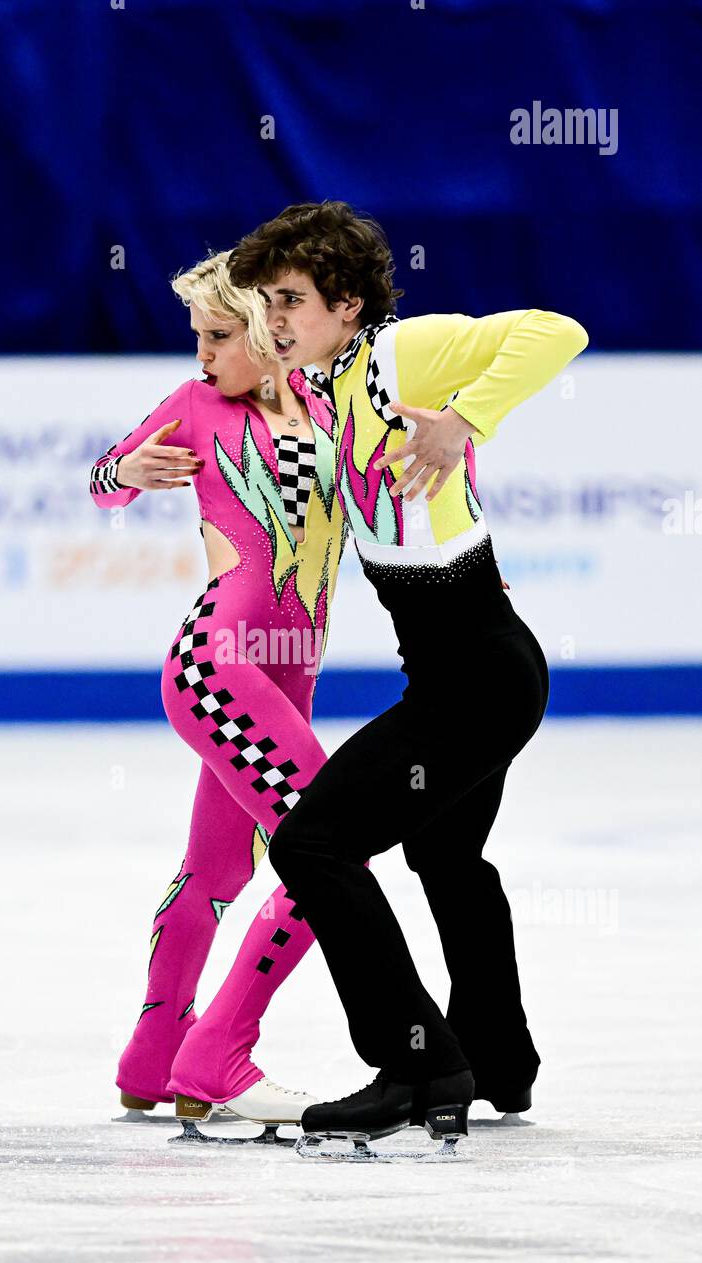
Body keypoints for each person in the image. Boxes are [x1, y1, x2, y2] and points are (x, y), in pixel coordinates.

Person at [227, 200, 589, 1146]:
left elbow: (557, 331)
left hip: (478, 678)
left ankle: (418, 1059)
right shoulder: (321, 384)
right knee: (443, 854)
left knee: (311, 847)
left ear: (348, 305)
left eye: (292, 301)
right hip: (467, 668)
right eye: (267, 302)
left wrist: (464, 421)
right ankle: (499, 1059)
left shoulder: (399, 354)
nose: (275, 321)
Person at [90, 252, 346, 1130]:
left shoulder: (329, 409)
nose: (201, 354)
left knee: (219, 867)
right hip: (218, 666)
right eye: (196, 335)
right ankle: (219, 1052)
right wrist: (125, 477)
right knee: (328, 848)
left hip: (282, 677)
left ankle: (154, 1054)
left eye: (218, 334)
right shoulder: (196, 407)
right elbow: (102, 478)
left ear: (273, 331)